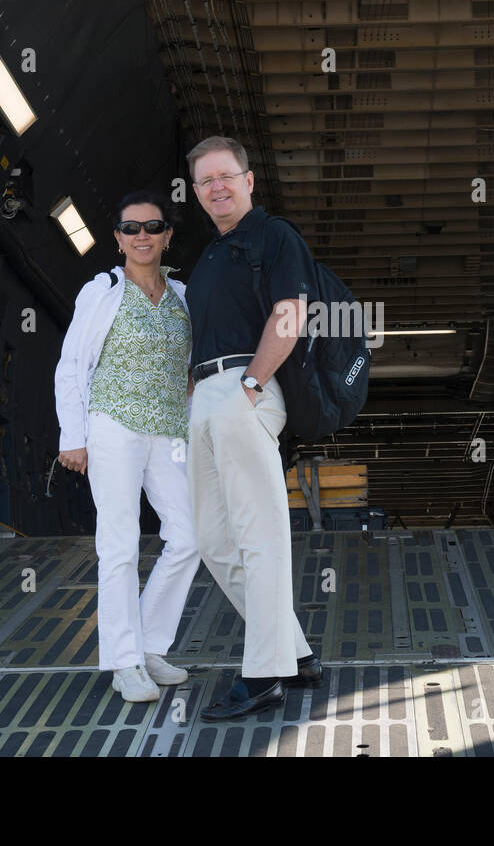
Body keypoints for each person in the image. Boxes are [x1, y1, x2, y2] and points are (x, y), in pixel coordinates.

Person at [185, 136, 322, 721]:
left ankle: (263, 675)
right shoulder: (210, 255)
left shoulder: (274, 236)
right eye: (204, 181)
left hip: (246, 389)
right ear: (196, 193)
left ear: (249, 180)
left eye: (225, 176)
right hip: (207, 397)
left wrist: (252, 385)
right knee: (214, 541)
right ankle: (295, 653)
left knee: (259, 537)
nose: (216, 187)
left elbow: (288, 313)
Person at [53, 190, 199, 703]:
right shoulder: (103, 290)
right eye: (131, 228)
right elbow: (72, 363)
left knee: (189, 535)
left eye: (152, 227)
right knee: (119, 543)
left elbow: (188, 372)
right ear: (117, 238)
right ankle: (124, 662)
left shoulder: (182, 295)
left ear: (167, 236)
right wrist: (73, 436)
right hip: (113, 424)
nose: (142, 236)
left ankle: (151, 645)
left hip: (169, 431)